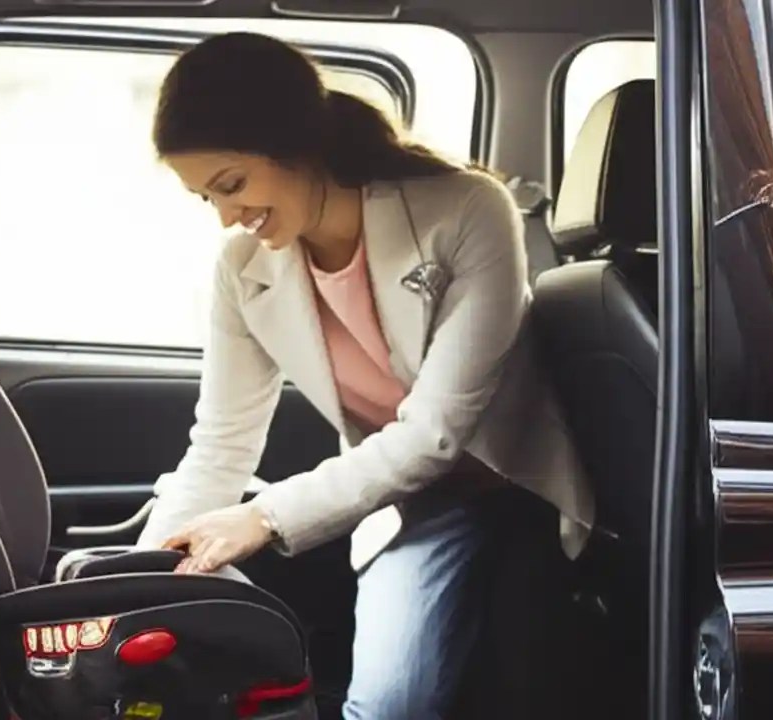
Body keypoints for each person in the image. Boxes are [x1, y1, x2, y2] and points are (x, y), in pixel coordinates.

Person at [133, 32, 596, 719]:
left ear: (295, 141)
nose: (228, 216)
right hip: (413, 504)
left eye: (231, 184)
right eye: (208, 198)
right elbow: (222, 445)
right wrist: (141, 583)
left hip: (518, 487)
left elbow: (434, 435)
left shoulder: (470, 210)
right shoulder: (241, 268)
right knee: (385, 705)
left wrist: (262, 516)